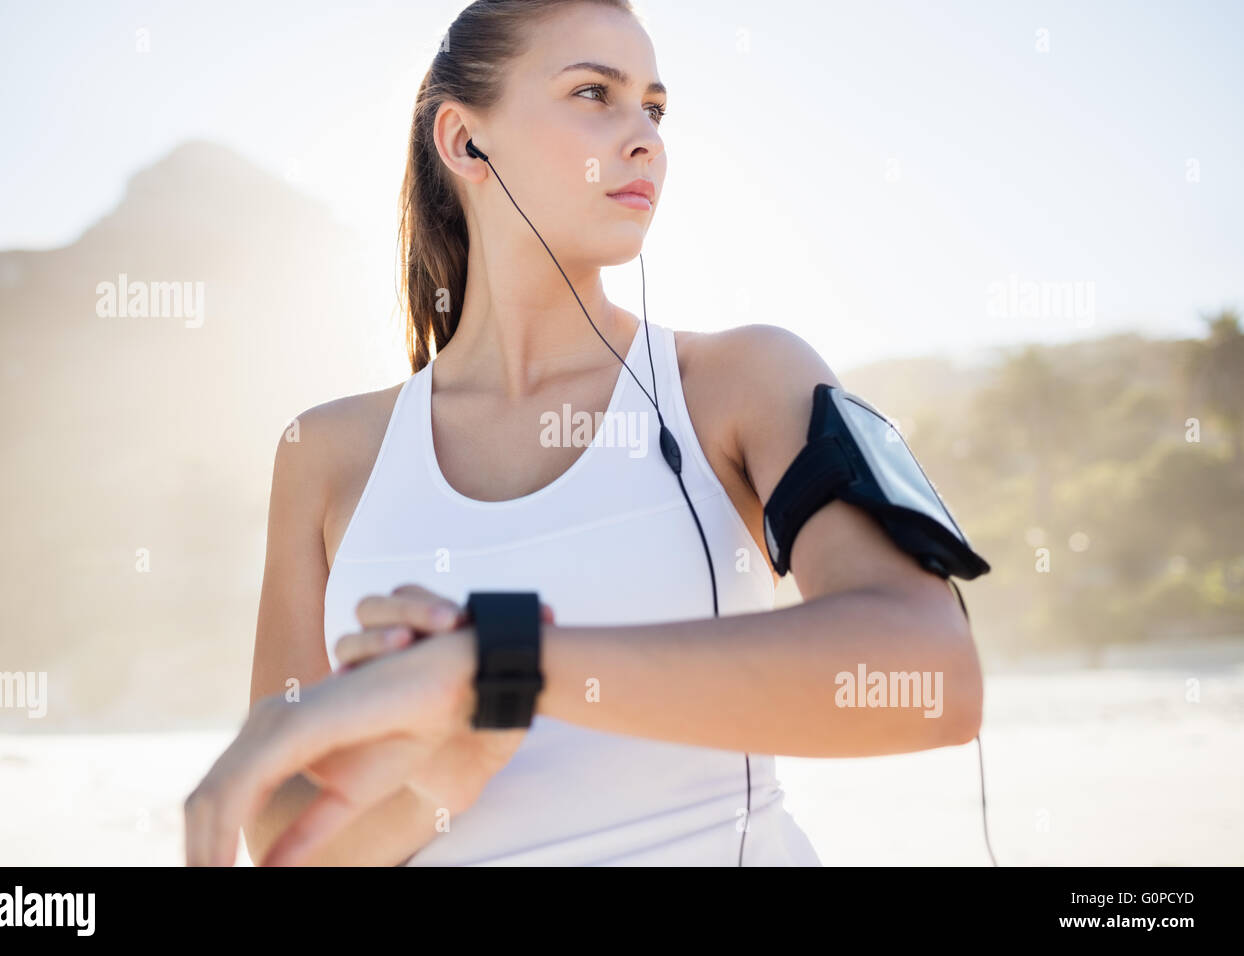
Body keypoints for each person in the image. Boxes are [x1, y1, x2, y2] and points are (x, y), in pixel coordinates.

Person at [184, 0, 983, 867]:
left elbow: (932, 677)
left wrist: (501, 663)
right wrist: (442, 771)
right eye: (595, 92)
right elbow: (284, 834)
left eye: (656, 106)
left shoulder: (741, 382)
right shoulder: (327, 454)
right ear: (464, 141)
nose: (645, 137)